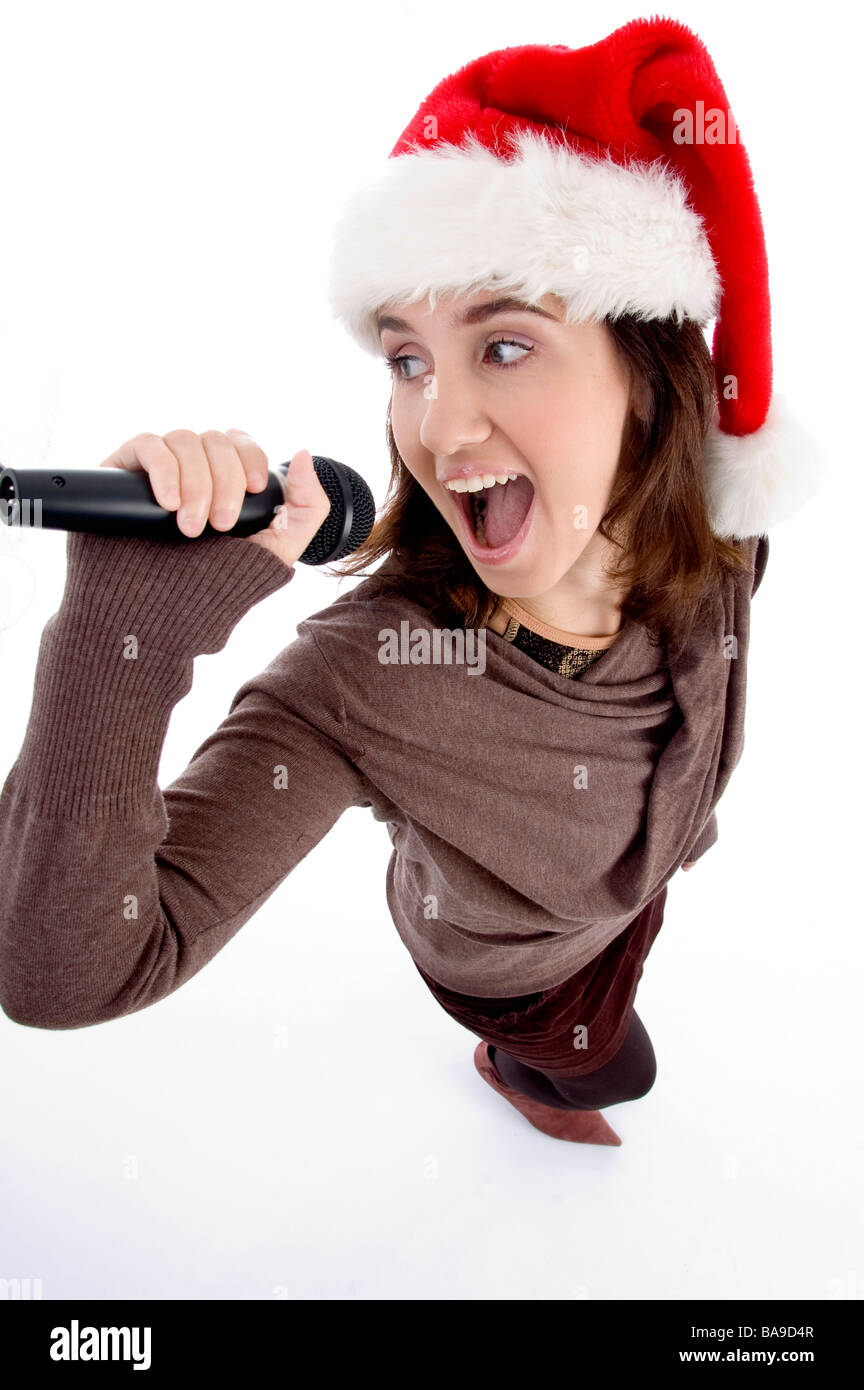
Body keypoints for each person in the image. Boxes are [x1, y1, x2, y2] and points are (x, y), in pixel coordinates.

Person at [0, 17, 822, 1147]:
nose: (434, 425)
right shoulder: (363, 679)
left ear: (650, 378)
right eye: (407, 359)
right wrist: (114, 632)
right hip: (520, 978)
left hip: (640, 900)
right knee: (608, 1074)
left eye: (505, 344)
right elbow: (63, 974)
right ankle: (512, 1063)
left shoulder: (721, 548)